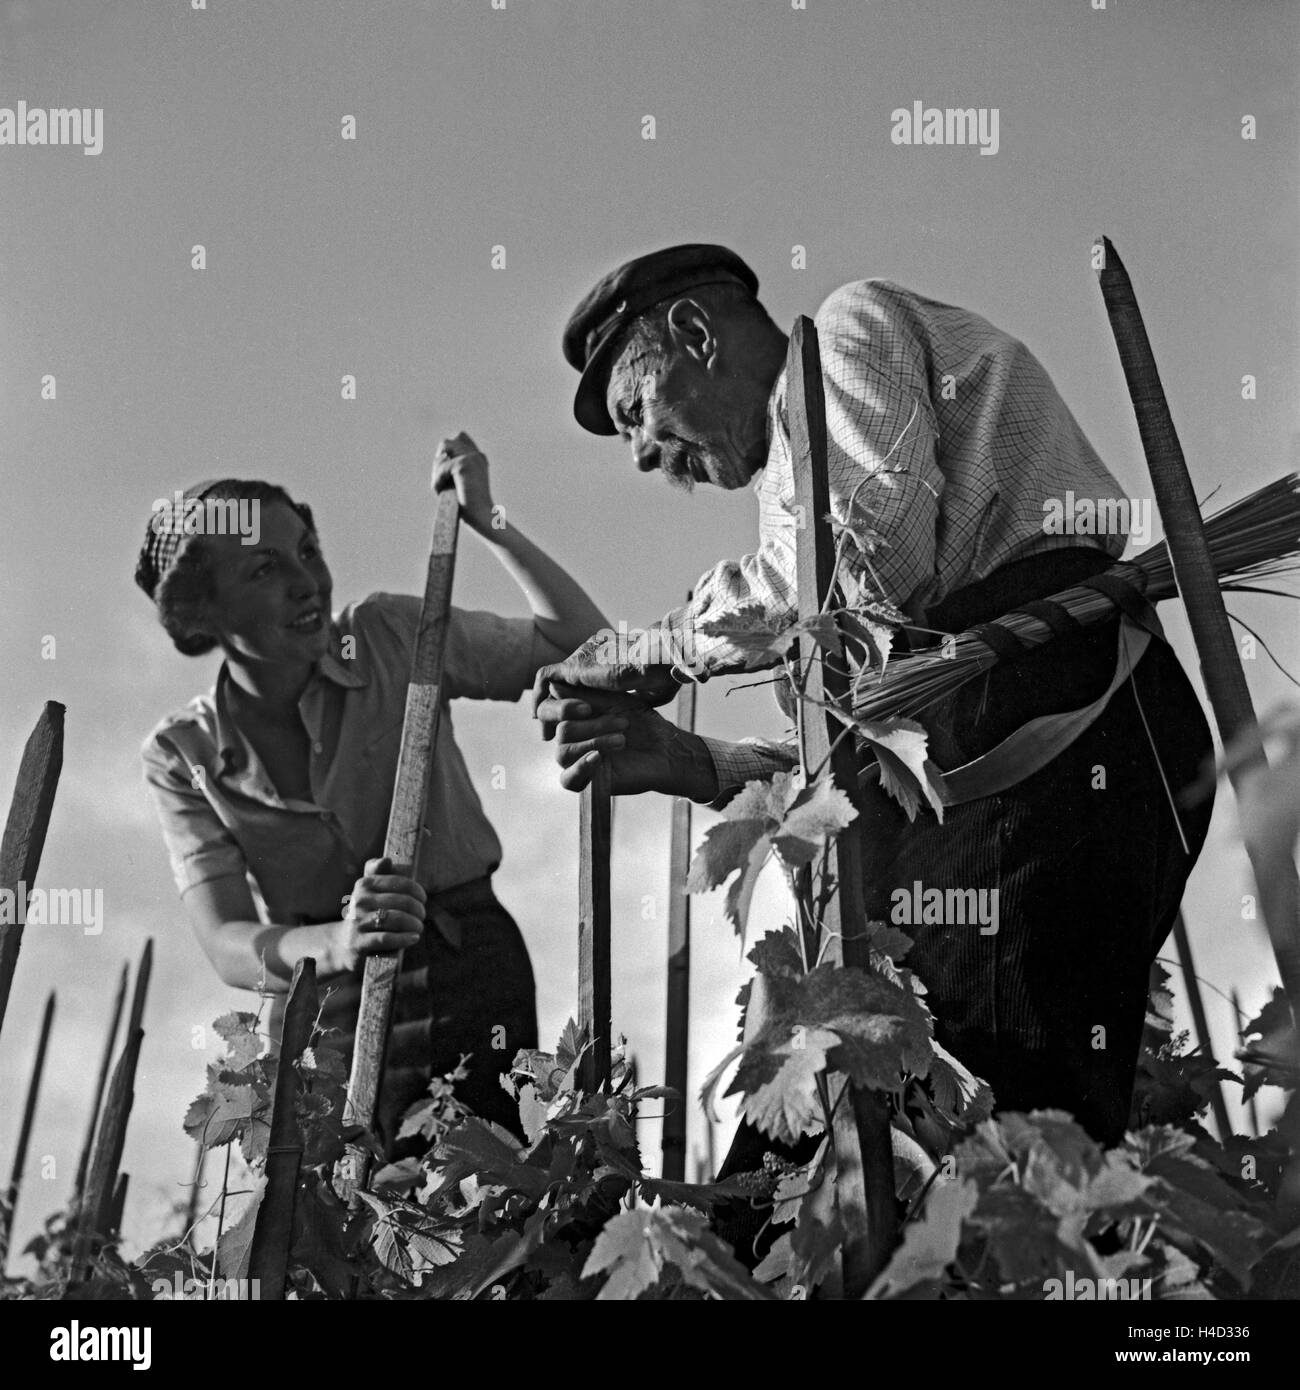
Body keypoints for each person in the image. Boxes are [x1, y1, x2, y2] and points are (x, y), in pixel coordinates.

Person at [532, 244, 1215, 1158]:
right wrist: (698, 765)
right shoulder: (796, 480)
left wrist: (655, 645)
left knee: (971, 1128)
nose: (647, 456)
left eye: (635, 414)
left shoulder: (849, 334)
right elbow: (873, 744)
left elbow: (868, 570)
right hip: (987, 752)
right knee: (862, 1148)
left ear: (694, 333)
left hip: (1053, 720)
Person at [139, 435, 609, 1148]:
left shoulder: (389, 636)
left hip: (465, 963)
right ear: (204, 612)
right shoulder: (183, 756)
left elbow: (584, 646)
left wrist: (489, 520)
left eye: (308, 551)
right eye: (266, 568)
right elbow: (228, 940)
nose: (307, 582)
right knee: (335, 1226)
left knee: (480, 1202)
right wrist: (340, 941)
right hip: (322, 1009)